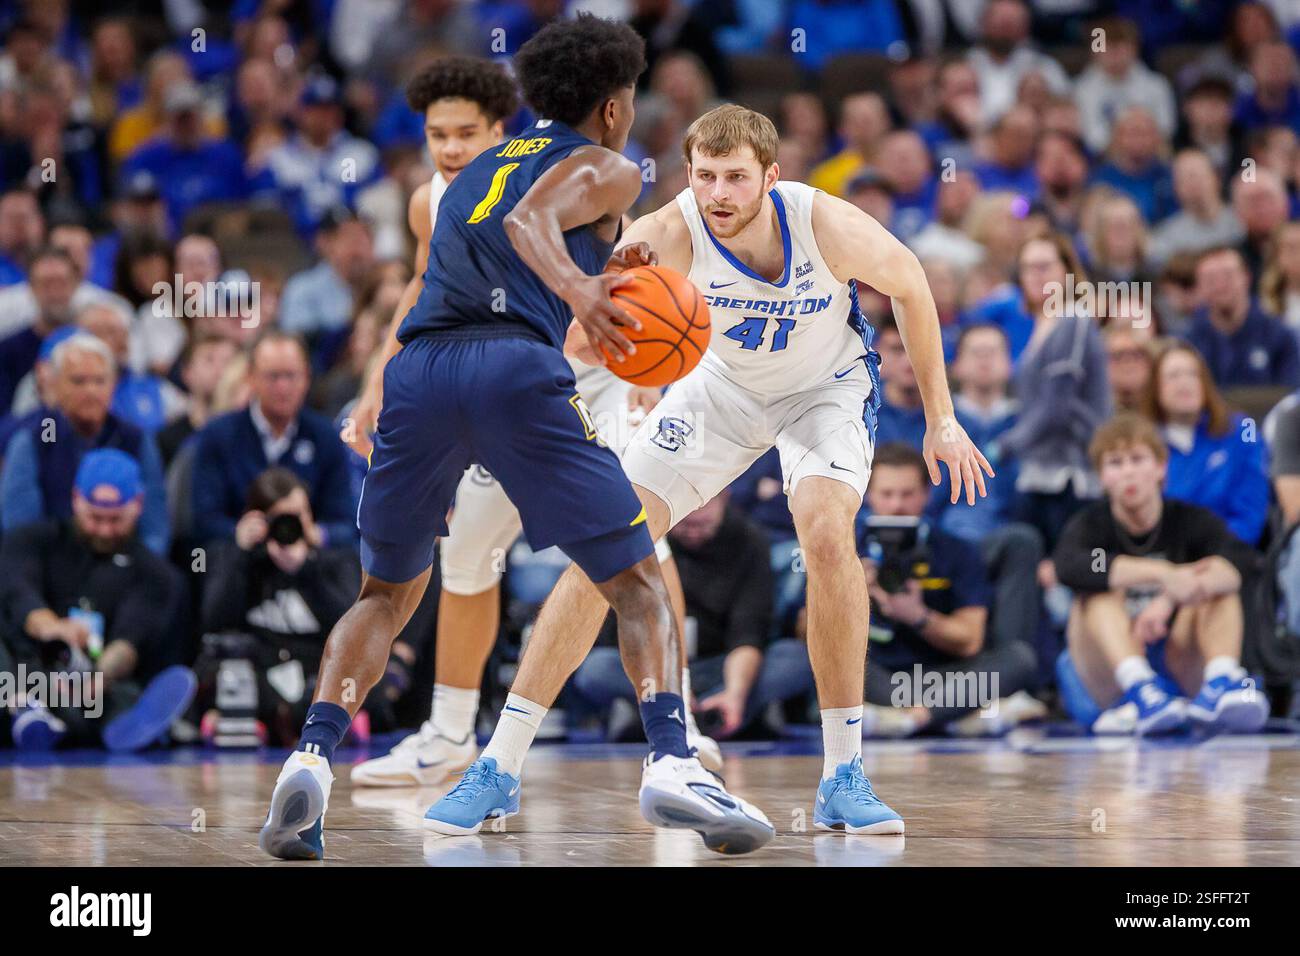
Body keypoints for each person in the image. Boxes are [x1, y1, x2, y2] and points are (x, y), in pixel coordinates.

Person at [260, 16, 773, 861]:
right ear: (614, 106)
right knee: (637, 581)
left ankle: (311, 753)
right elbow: (537, 223)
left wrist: (597, 273)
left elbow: (484, 252)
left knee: (384, 595)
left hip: (421, 375)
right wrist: (581, 291)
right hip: (513, 371)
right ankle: (674, 763)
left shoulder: (465, 178)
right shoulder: (607, 165)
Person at [446, 102, 991, 839]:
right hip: (720, 390)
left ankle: (843, 774)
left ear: (771, 176)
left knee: (826, 532)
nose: (719, 195)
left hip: (824, 388)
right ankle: (499, 766)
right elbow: (582, 323)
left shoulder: (821, 222)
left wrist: (941, 418)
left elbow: (912, 284)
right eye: (705, 177)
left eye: (736, 177)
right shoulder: (664, 234)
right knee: (609, 543)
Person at [347, 55, 720, 788]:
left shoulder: (563, 175)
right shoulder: (436, 202)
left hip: (591, 381)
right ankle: (449, 732)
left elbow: (642, 283)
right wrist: (375, 383)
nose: (451, 149)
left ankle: (685, 726)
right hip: (499, 388)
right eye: (436, 135)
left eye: (465, 133)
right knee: (467, 557)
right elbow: (422, 292)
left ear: (500, 130)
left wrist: (648, 376)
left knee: (643, 550)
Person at [1053, 413, 1266, 736]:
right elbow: (1071, 566)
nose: (1128, 472)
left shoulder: (1188, 520)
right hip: (1110, 672)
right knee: (1097, 592)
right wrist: (1163, 573)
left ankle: (1220, 681)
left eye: (1137, 459)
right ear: (1102, 477)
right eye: (1115, 463)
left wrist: (1170, 598)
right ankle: (1141, 690)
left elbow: (1240, 561)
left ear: (1161, 467)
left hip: (1177, 658)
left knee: (1217, 579)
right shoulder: (1091, 526)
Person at [0, 449, 192, 752]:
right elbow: (17, 587)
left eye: (115, 520)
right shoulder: (34, 541)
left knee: (117, 696)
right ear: (76, 499)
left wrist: (98, 678)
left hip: (92, 685)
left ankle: (112, 723)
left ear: (138, 505)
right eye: (94, 518)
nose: (104, 530)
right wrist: (50, 627)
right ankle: (27, 708)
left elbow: (132, 639)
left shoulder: (156, 574)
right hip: (25, 671)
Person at [860, 444, 1037, 736]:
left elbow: (970, 641)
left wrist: (918, 616)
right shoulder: (847, 549)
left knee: (1019, 659)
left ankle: (909, 719)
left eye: (907, 494)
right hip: (878, 677)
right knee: (815, 661)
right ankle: (953, 716)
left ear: (926, 495)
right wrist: (851, 593)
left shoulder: (955, 551)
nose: (896, 506)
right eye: (887, 494)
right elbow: (808, 630)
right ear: (869, 495)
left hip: (945, 679)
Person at [197, 468, 367, 745]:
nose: (292, 526)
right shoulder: (236, 560)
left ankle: (275, 720)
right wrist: (240, 555)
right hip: (261, 669)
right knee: (229, 677)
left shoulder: (336, 560)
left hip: (316, 668)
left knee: (344, 679)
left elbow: (349, 625)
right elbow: (214, 622)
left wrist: (307, 568)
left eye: (300, 515)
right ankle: (265, 719)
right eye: (281, 518)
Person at [191, 331, 359, 550]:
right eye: (272, 376)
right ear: (250, 377)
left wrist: (315, 534)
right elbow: (203, 519)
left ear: (307, 377)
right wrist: (237, 532)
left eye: (291, 376)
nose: (282, 387)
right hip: (241, 557)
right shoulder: (217, 435)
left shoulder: (325, 437)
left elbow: (345, 524)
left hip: (307, 559)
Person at [1143, 340, 1271, 546]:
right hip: (1161, 557)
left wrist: (1212, 551)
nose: (1185, 382)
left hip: (1229, 553)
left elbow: (1251, 514)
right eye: (1173, 376)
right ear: (1155, 387)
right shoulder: (1141, 443)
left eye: (1193, 374)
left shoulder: (1243, 430)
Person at [1183, 246, 1300, 388]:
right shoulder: (1187, 343)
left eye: (1228, 275)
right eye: (1210, 279)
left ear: (1247, 277)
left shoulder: (1279, 335)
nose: (1220, 285)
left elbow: (1291, 397)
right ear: (1199, 286)